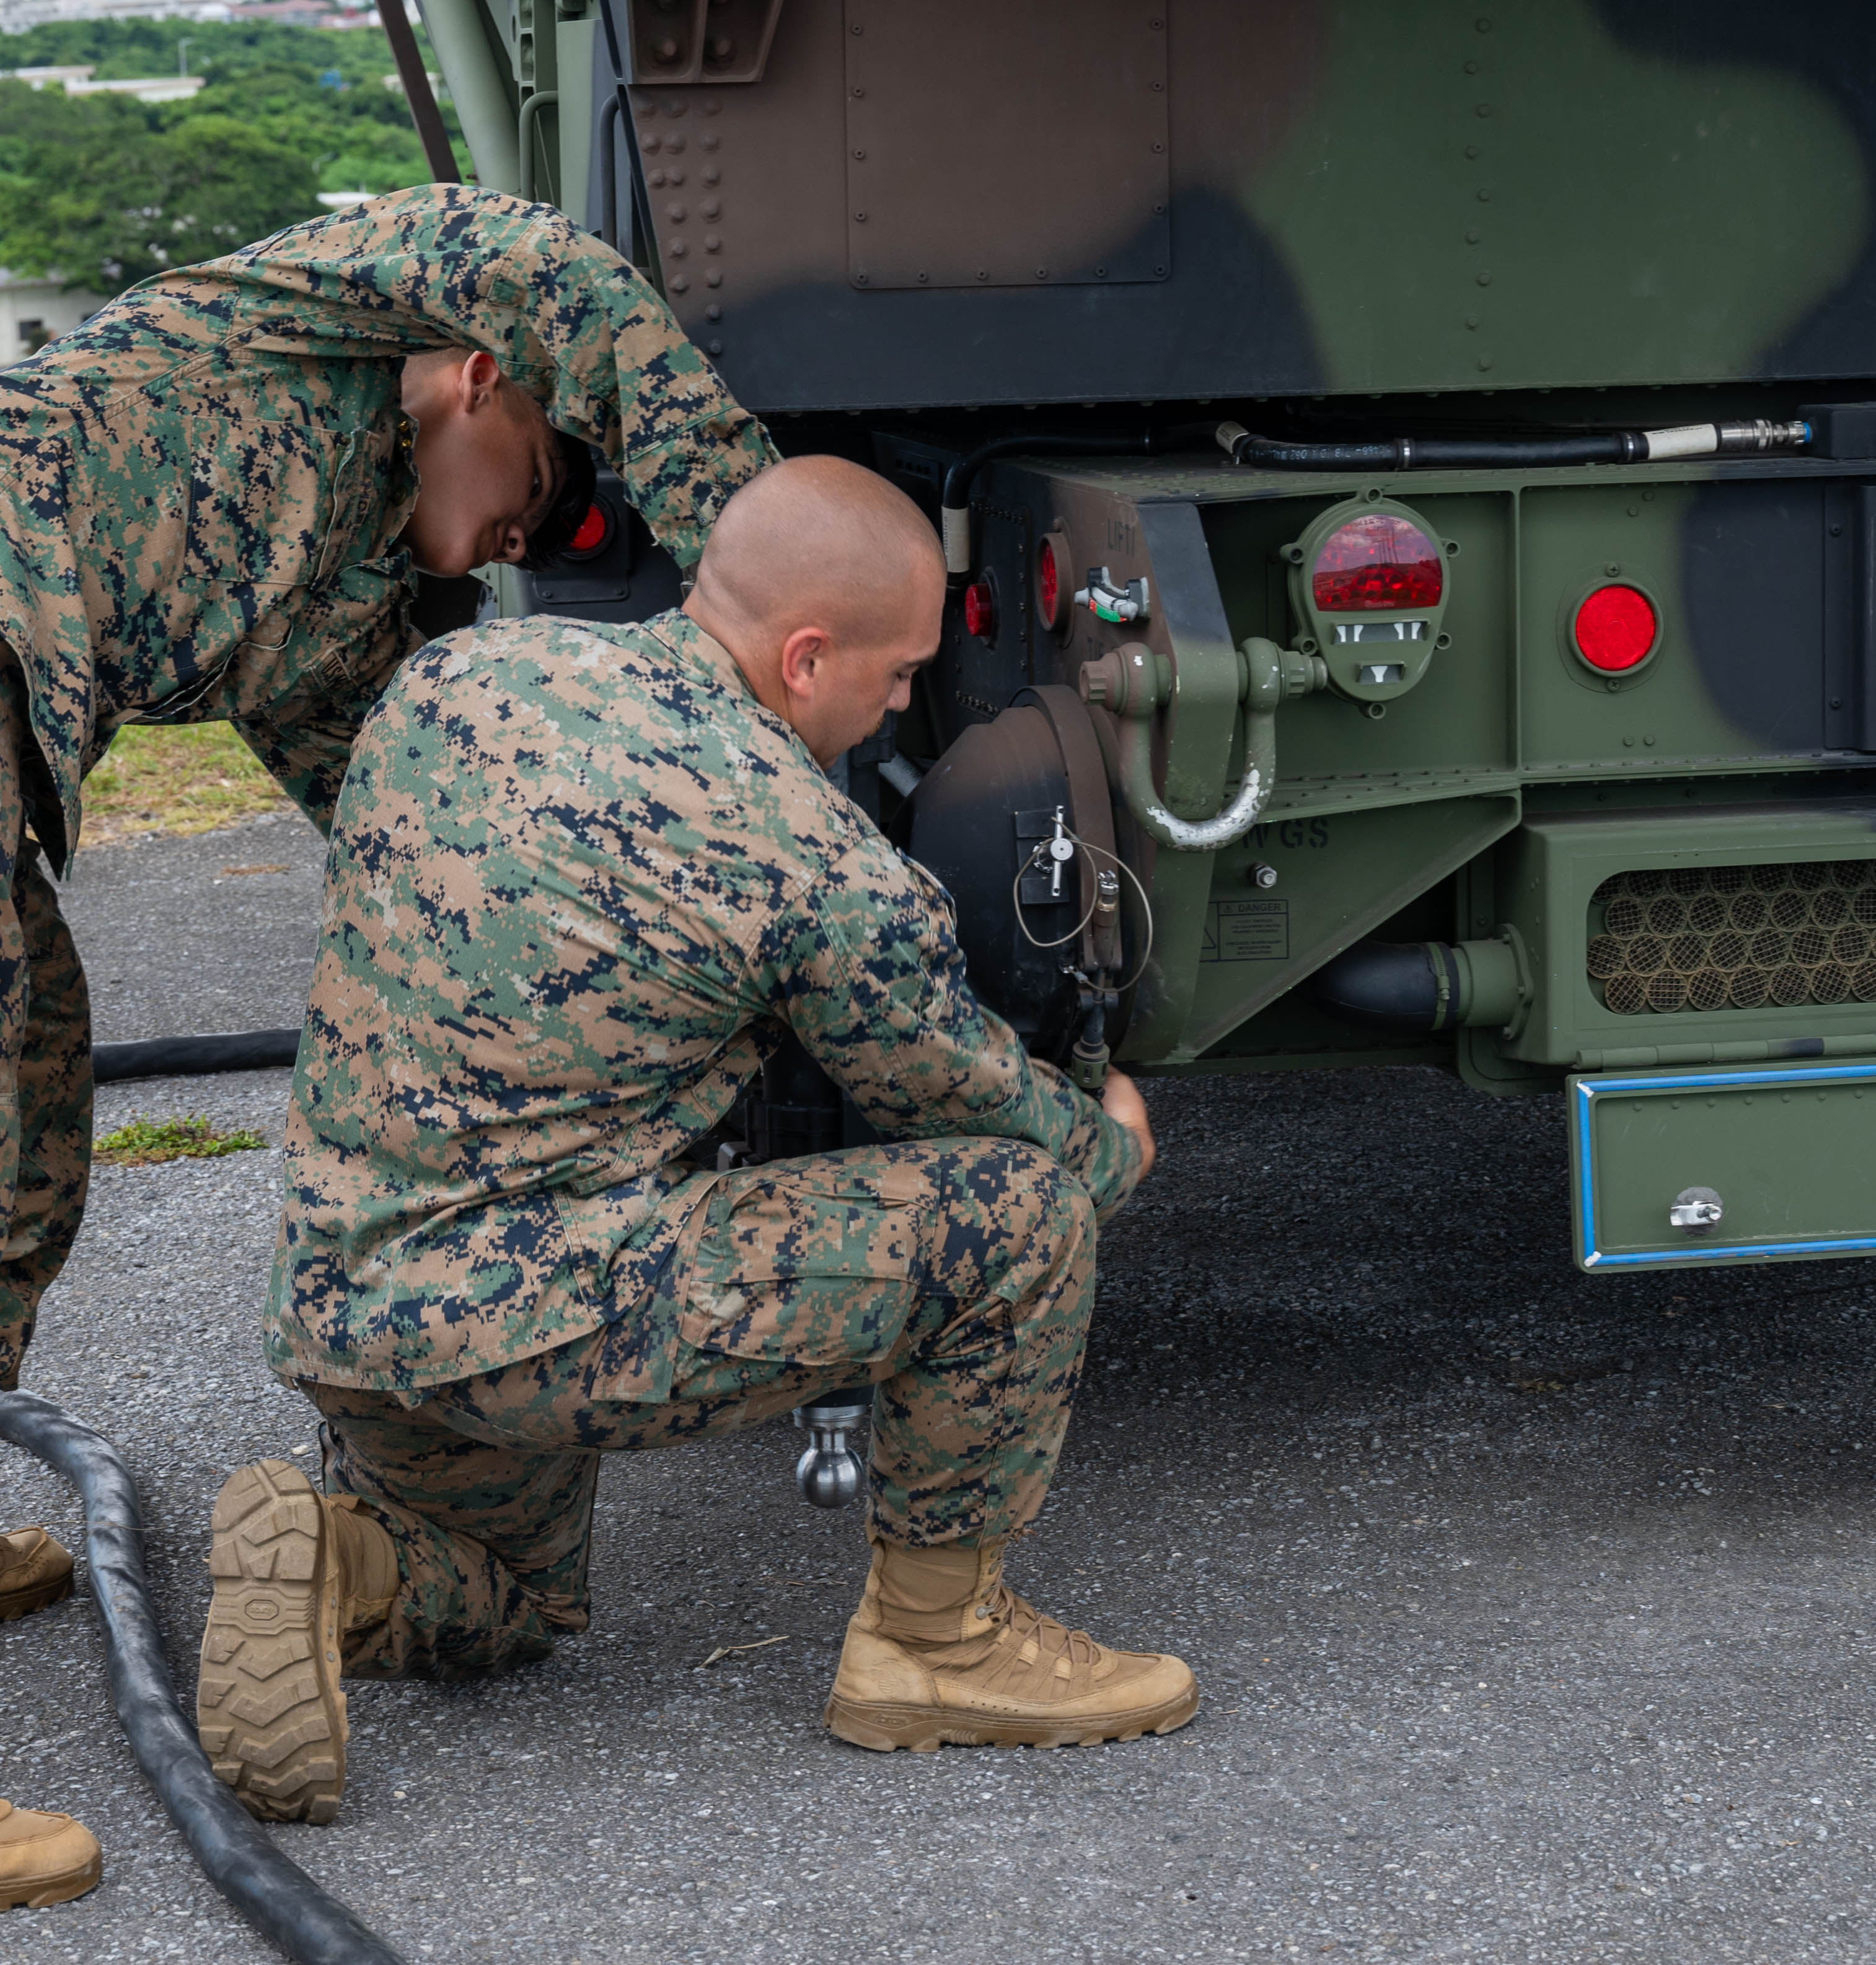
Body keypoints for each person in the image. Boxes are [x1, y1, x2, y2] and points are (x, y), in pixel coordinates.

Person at [0, 187, 775, 1914]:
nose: (519, 544)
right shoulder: (313, 323)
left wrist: (663, 981)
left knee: (28, 1111)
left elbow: (432, 860)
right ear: (488, 381)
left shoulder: (347, 611)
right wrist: (749, 558)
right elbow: (550, 261)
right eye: (552, 485)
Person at [203, 456, 1190, 1826]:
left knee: (508, 1610)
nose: (900, 702)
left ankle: (334, 1559)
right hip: (536, 1318)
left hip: (342, 1305)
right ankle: (935, 1645)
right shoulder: (810, 856)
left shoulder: (454, 684)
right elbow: (964, 1104)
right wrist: (1113, 1138)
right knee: (1017, 1213)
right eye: (897, 673)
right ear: (804, 657)